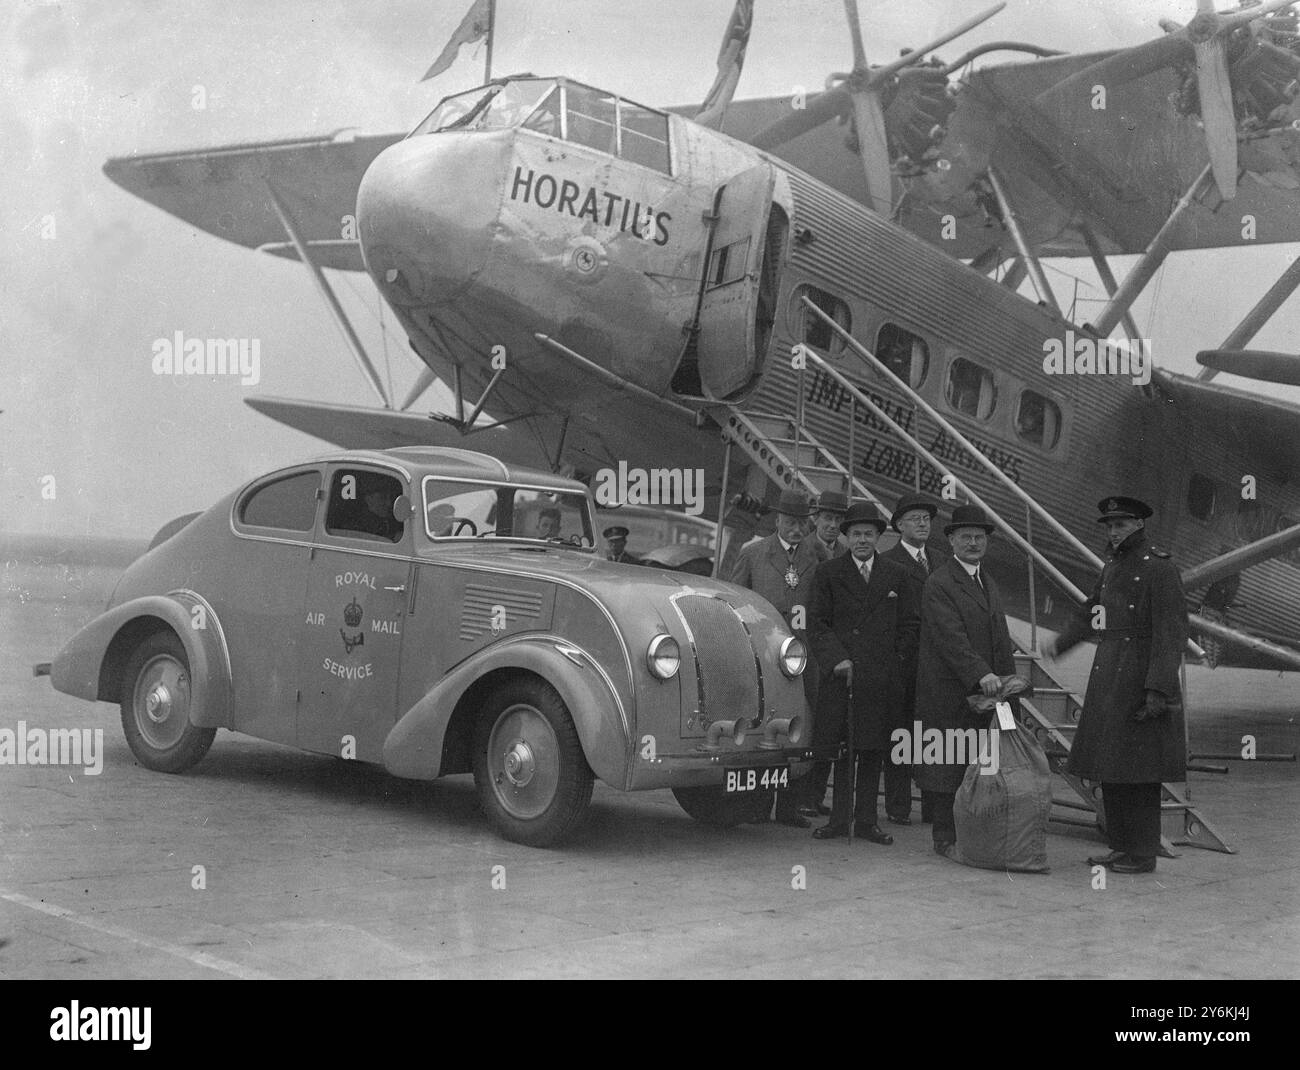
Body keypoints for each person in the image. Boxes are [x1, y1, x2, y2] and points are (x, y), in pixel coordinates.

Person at [1042, 496, 1189, 875]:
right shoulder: (1113, 566)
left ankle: (1142, 853)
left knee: (1140, 772)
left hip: (1139, 675)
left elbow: (1171, 632)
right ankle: (1121, 846)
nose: (1113, 532)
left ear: (1139, 524)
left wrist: (1158, 689)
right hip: (1110, 674)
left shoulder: (1159, 568)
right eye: (1109, 526)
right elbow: (1093, 610)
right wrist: (1062, 642)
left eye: (1120, 525)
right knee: (1113, 766)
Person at [806, 502, 920, 842]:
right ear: (847, 537)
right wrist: (837, 660)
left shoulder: (897, 574)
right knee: (844, 750)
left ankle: (867, 822)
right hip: (843, 677)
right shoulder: (828, 573)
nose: (861, 540)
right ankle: (839, 820)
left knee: (873, 750)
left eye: (868, 534)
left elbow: (910, 624)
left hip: (880, 680)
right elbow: (817, 624)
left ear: (878, 537)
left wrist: (894, 661)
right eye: (855, 534)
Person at [912, 504, 1016, 858]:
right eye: (966, 537)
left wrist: (1007, 684)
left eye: (979, 537)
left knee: (977, 764)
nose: (973, 543)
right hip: (950, 691)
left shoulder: (987, 581)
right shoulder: (940, 582)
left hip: (985, 692)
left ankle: (970, 835)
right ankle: (945, 838)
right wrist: (980, 673)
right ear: (952, 541)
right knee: (948, 765)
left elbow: (1000, 639)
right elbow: (950, 638)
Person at [730, 488, 828, 827]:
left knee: (802, 724)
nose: (797, 529)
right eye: (790, 522)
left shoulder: (818, 554)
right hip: (764, 652)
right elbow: (734, 600)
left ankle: (790, 806)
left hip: (805, 653)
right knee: (763, 722)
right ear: (778, 521)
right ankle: (757, 804)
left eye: (802, 523)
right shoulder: (753, 553)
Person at [880, 493, 946, 824]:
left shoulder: (941, 561)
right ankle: (898, 806)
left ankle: (934, 806)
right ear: (899, 525)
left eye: (926, 519)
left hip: (936, 663)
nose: (922, 524)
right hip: (904, 662)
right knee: (900, 733)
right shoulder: (887, 562)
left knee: (933, 734)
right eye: (915, 518)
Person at [795, 488, 850, 816]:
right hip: (803, 648)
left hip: (832, 652)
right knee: (807, 721)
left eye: (838, 519)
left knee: (829, 725)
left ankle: (814, 795)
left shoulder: (845, 552)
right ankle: (798, 797)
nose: (832, 525)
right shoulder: (801, 551)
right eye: (827, 518)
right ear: (815, 518)